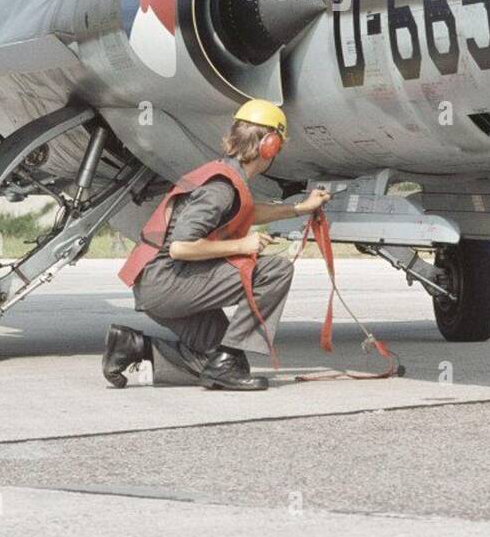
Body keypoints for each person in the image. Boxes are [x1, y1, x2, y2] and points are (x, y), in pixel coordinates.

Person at [102, 100, 330, 392]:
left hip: (165, 282)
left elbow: (247, 210)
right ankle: (224, 363)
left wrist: (299, 208)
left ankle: (134, 346)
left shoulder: (227, 176)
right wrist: (242, 244)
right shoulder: (220, 188)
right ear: (269, 146)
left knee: (221, 362)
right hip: (167, 282)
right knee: (275, 271)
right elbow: (180, 247)